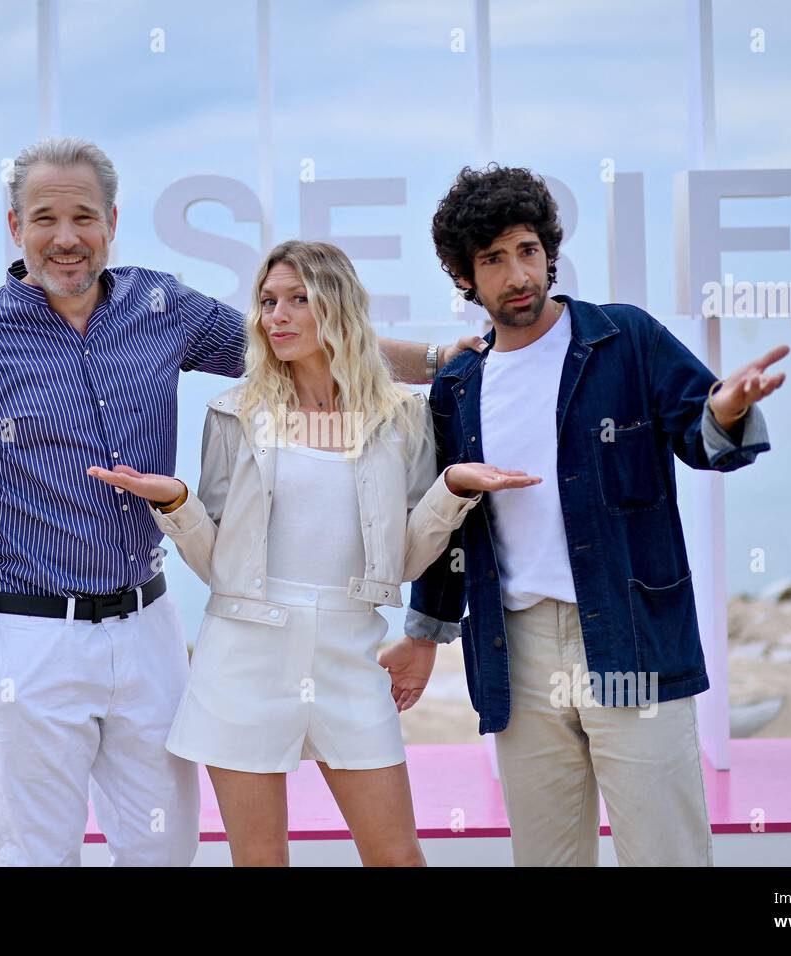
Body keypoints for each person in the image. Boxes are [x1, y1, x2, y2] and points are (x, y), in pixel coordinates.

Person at [0, 137, 485, 867]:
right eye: (44, 218)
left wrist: (435, 362)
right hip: (30, 634)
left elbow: (291, 340)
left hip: (149, 630)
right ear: (15, 229)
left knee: (162, 849)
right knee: (40, 855)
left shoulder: (159, 306)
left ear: (111, 221)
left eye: (83, 216)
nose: (66, 238)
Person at [383, 164, 789, 866]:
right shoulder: (457, 387)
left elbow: (701, 433)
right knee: (548, 857)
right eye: (493, 259)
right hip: (517, 648)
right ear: (464, 277)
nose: (517, 274)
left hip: (629, 631)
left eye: (528, 250)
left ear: (549, 250)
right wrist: (423, 633)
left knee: (666, 850)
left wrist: (726, 408)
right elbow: (450, 525)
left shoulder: (625, 341)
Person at [90, 240, 535, 866]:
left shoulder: (402, 416)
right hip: (244, 654)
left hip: (350, 655)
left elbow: (403, 564)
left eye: (299, 299)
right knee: (262, 859)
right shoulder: (232, 414)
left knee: (397, 856)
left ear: (340, 307)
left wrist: (453, 488)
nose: (279, 315)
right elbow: (224, 568)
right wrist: (176, 504)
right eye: (268, 301)